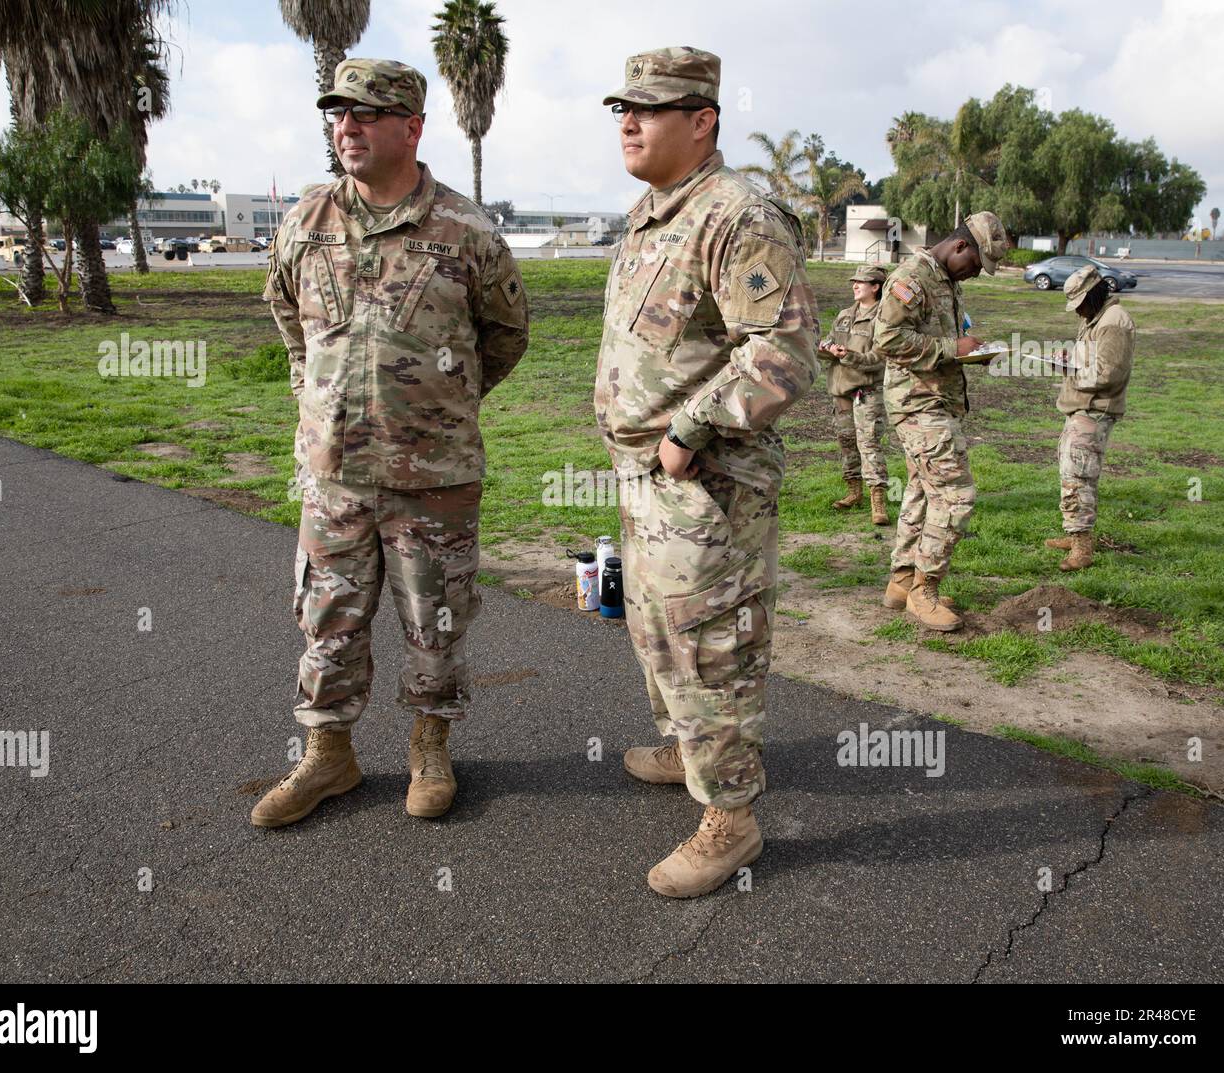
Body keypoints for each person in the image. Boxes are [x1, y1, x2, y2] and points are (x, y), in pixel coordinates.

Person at [252, 58, 528, 827]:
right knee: (326, 619)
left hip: (433, 475)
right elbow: (288, 321)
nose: (347, 127)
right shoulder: (305, 221)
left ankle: (429, 744)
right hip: (333, 474)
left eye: (366, 114)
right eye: (339, 114)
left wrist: (442, 404)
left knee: (434, 619)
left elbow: (506, 336)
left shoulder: (467, 230)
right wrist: (317, 394)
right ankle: (327, 754)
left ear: (411, 126)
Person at [595, 46, 820, 898]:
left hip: (707, 480)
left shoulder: (739, 217)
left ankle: (731, 817)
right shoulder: (653, 215)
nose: (629, 120)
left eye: (650, 109)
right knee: (654, 629)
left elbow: (786, 354)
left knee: (711, 643)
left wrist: (689, 429)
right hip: (647, 477)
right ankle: (687, 748)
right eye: (623, 107)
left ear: (703, 120)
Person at [875, 211, 1008, 631]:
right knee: (955, 495)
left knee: (921, 489)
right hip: (918, 405)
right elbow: (888, 339)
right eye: (974, 265)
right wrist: (954, 348)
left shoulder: (945, 280)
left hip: (937, 402)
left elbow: (939, 339)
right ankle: (924, 590)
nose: (974, 274)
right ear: (960, 246)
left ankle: (902, 582)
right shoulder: (913, 277)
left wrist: (972, 350)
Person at [1044, 264, 1135, 571]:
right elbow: (1093, 360)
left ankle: (1082, 547)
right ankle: (1075, 533)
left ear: (1094, 293)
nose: (1077, 310)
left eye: (1080, 302)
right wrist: (1070, 359)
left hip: (1096, 409)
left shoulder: (1113, 322)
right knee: (1072, 470)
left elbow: (1109, 373)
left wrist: (1073, 371)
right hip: (1082, 407)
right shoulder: (1095, 317)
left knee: (1078, 474)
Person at [820, 265, 892, 524]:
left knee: (869, 443)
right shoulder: (843, 315)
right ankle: (853, 493)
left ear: (876, 287)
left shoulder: (883, 319)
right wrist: (826, 348)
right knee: (847, 442)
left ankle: (878, 501)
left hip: (867, 391)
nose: (855, 285)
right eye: (854, 281)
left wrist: (848, 356)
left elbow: (880, 358)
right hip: (840, 392)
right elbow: (828, 341)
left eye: (862, 282)